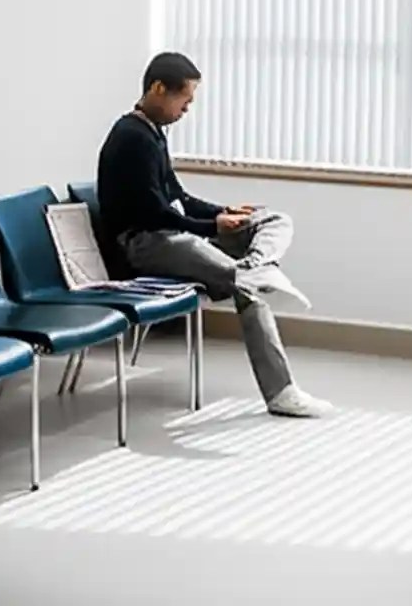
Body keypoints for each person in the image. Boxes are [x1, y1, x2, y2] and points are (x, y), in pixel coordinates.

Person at [96, 52, 334, 418]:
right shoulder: (130, 138)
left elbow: (179, 198)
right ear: (159, 89)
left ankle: (255, 266)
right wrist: (211, 229)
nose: (187, 109)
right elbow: (153, 213)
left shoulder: (153, 133)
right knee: (243, 286)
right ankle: (281, 391)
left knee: (272, 220)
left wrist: (223, 214)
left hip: (173, 235)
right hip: (144, 245)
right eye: (185, 99)